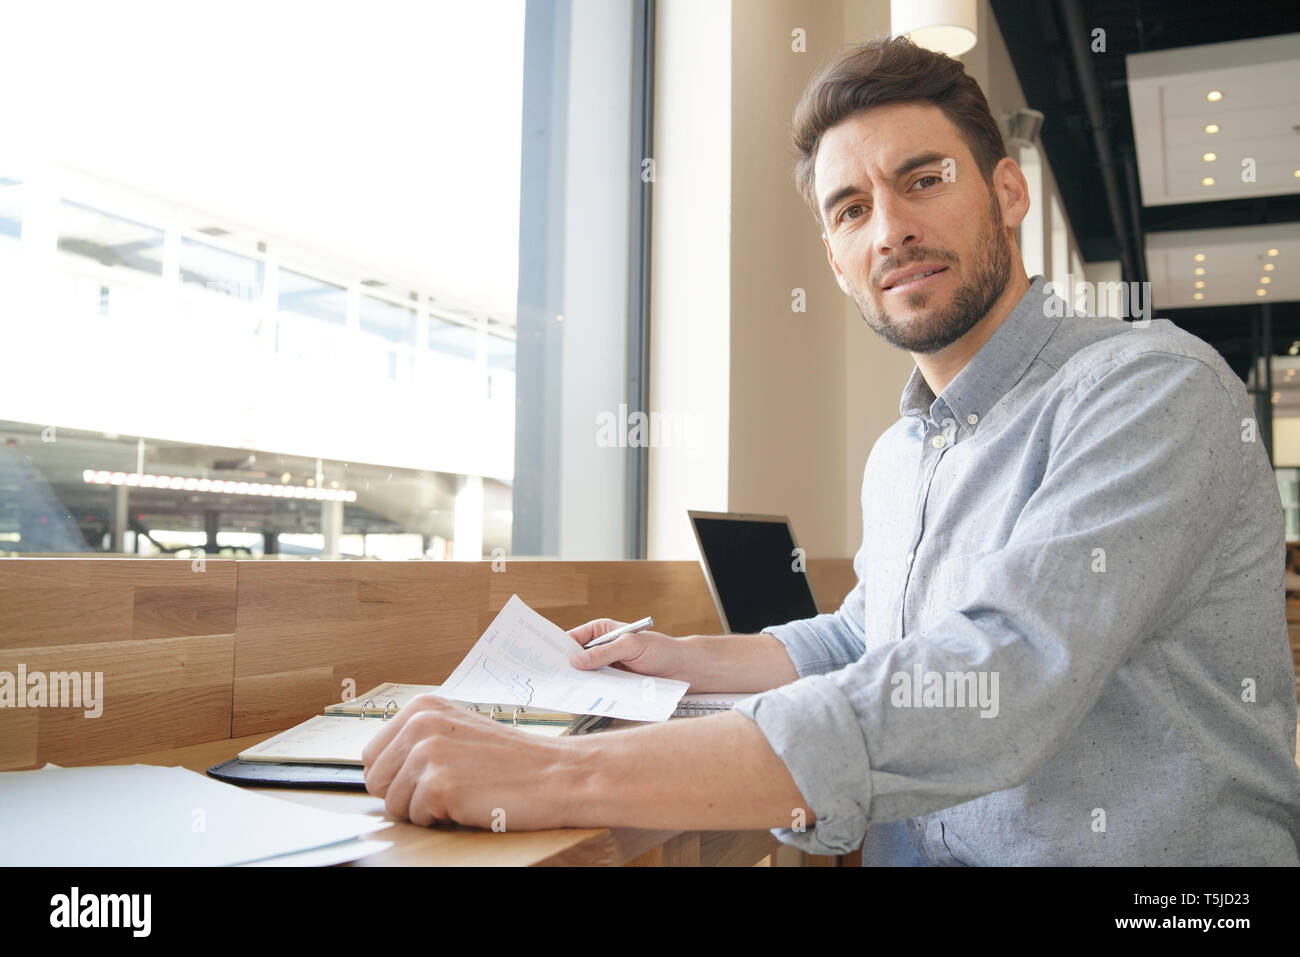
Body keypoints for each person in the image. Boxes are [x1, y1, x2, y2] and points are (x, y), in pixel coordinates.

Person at [361, 36, 1300, 864]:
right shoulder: (901, 453)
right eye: (851, 208)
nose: (891, 229)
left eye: (924, 179)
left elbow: (996, 679)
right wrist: (680, 657)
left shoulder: (1151, 389)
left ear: (1006, 190)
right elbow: (868, 633)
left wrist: (557, 772)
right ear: (835, 256)